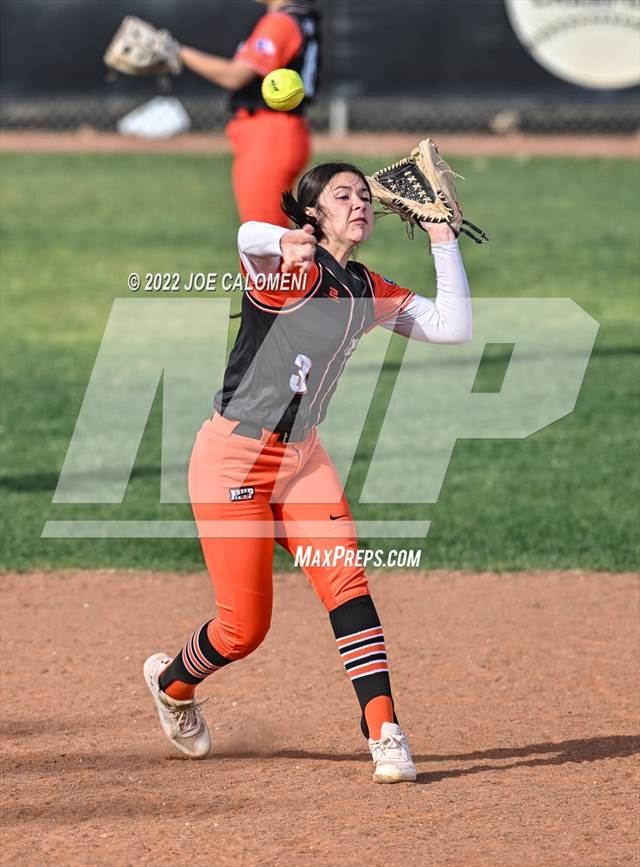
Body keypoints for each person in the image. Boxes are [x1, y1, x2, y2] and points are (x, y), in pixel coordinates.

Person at [144, 162, 473, 783]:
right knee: (244, 629)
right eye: (341, 195)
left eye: (363, 195)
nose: (360, 203)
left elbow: (452, 328)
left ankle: (385, 731)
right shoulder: (288, 267)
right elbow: (246, 234)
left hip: (302, 459)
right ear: (313, 213)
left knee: (346, 584)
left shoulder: (363, 285)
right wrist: (281, 239)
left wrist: (441, 239)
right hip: (232, 459)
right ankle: (172, 684)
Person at [178, 0, 320, 226]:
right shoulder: (299, 17)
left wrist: (176, 52)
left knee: (267, 242)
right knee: (270, 240)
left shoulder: (280, 23)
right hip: (280, 130)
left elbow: (235, 76)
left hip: (269, 133)